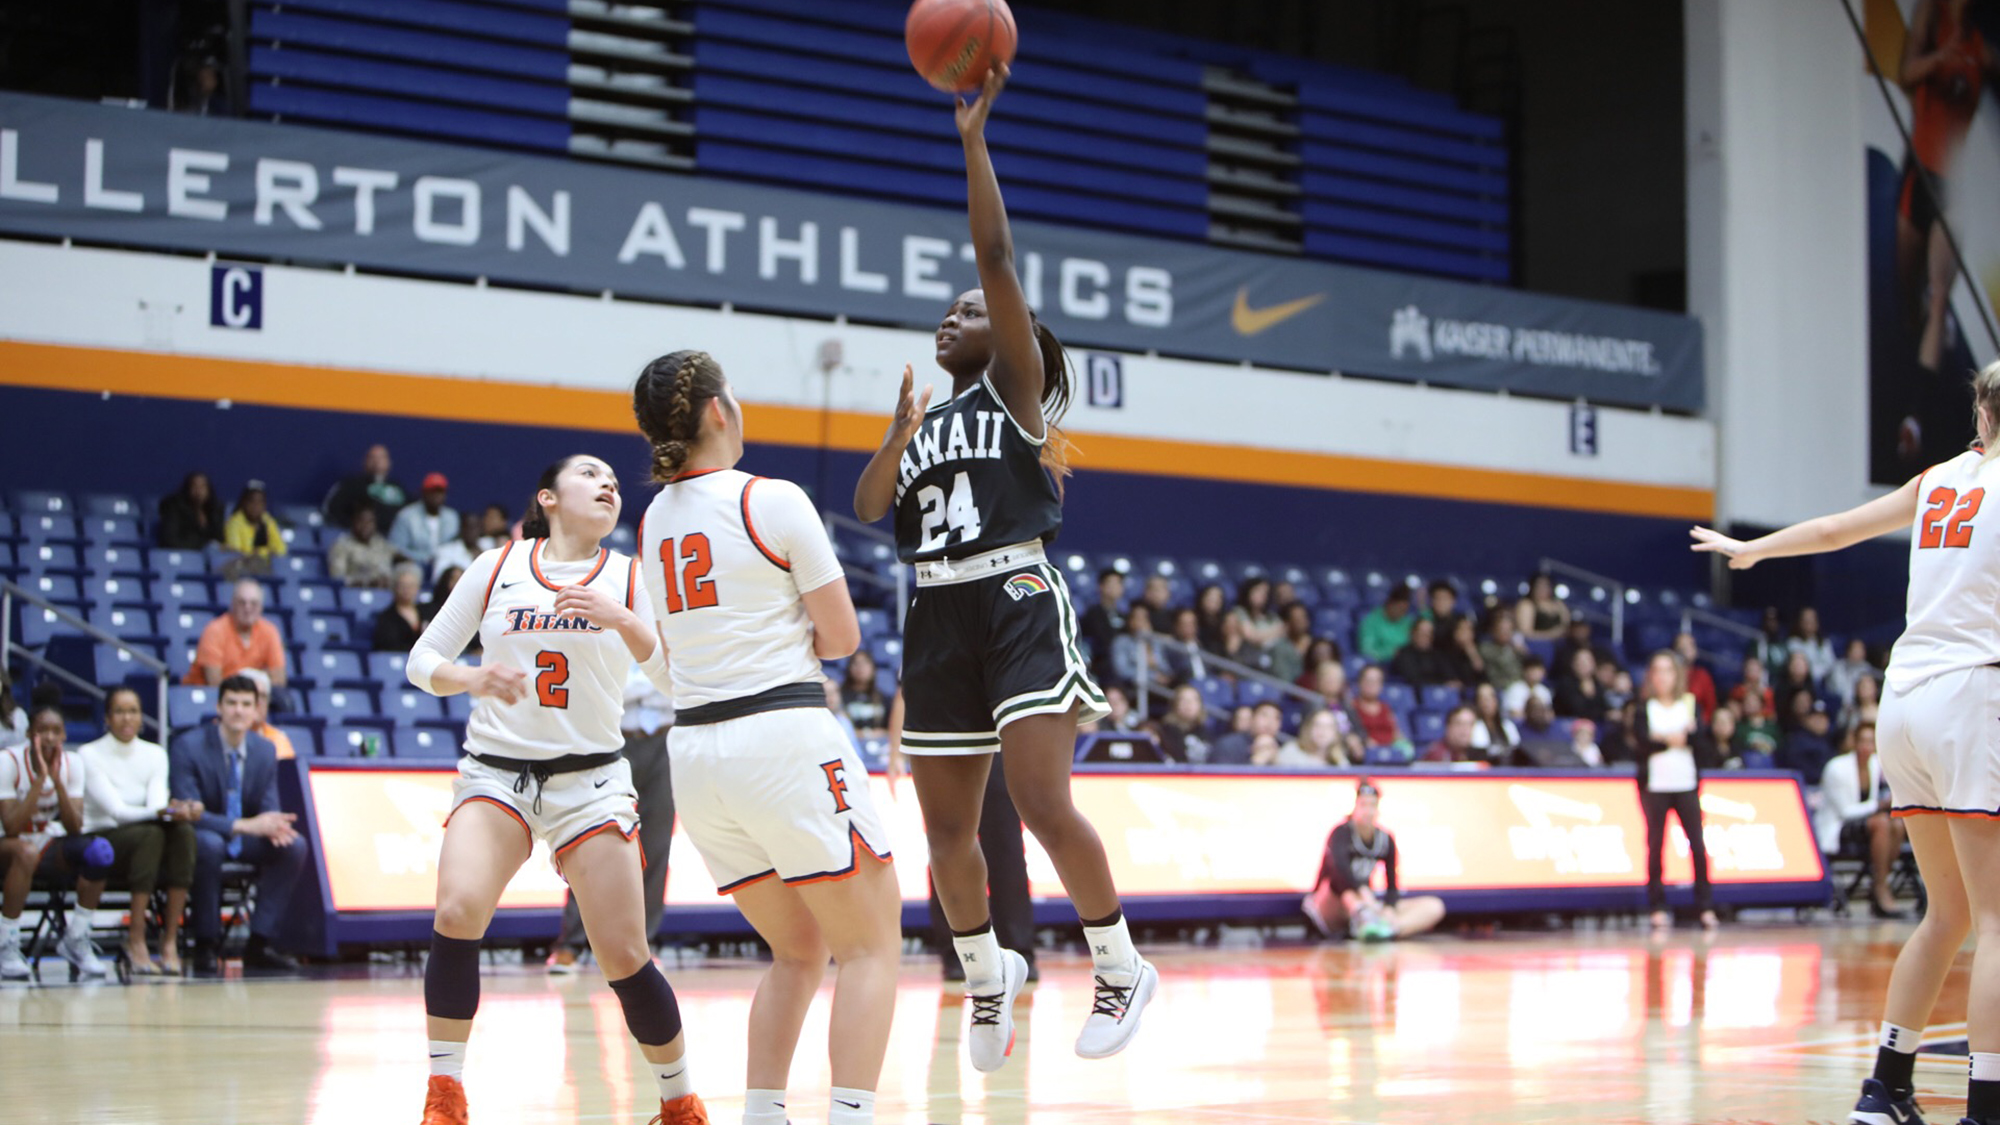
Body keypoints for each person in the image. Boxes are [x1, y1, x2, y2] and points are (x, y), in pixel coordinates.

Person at [848, 64, 1155, 1070]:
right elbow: (863, 509)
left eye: (965, 312)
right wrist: (894, 435)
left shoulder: (1015, 396)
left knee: (1035, 798)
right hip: (935, 615)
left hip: (1014, 595)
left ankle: (1115, 963)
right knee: (942, 833)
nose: (952, 317)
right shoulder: (931, 418)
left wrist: (972, 141)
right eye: (943, 314)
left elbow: (992, 251)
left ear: (1013, 339)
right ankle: (988, 978)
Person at [1693, 363, 2000, 1125]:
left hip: (1902, 698)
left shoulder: (1938, 478)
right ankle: (1987, 1108)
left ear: (1982, 412)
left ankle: (1885, 1089)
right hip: (1972, 692)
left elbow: (1837, 529)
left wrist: (1754, 549)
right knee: (1997, 921)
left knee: (1949, 913)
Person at [633, 351, 900, 1125]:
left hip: (700, 754)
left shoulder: (653, 520)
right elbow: (843, 637)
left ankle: (764, 1113)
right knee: (871, 945)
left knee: (798, 950)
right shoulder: (771, 498)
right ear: (719, 409)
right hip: (782, 735)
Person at [406, 453, 702, 1125]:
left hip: (592, 782)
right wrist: (472, 678)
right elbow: (422, 660)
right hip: (496, 773)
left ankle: (680, 1100)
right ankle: (444, 1097)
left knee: (625, 954)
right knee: (455, 912)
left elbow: (674, 680)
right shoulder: (495, 566)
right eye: (591, 474)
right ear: (547, 496)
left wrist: (625, 620)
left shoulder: (629, 575)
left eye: (615, 482)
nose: (608, 485)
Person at [549, 651, 677, 976]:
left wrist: (648, 685)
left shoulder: (667, 626)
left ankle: (644, 946)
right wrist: (653, 684)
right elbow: (608, 687)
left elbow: (680, 683)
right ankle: (572, 945)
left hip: (666, 741)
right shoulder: (608, 625)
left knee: (657, 845)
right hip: (612, 743)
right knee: (590, 839)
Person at [167, 675, 306, 975]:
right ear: (218, 707)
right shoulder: (187, 746)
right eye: (231, 703)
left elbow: (268, 805)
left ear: (257, 710)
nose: (238, 711)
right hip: (202, 836)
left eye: (246, 704)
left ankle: (260, 943)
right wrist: (244, 825)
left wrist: (274, 824)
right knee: (208, 844)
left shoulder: (265, 749)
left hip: (245, 839)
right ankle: (205, 942)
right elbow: (189, 813)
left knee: (294, 846)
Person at [1898, 0, 1998, 372]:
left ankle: (1916, 421)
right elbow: (1907, 72)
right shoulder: (1931, 15)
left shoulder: (1979, 48)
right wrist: (1938, 59)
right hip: (1919, 173)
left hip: (1951, 185)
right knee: (1909, 302)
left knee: (1939, 295)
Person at [78, 686, 197, 975]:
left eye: (133, 711)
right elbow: (117, 812)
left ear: (142, 717)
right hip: (103, 837)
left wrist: (174, 812)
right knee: (151, 834)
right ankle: (136, 938)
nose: (127, 718)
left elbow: (156, 804)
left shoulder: (155, 754)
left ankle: (169, 940)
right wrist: (162, 812)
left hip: (145, 836)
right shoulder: (88, 753)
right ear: (107, 717)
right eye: (119, 711)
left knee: (183, 833)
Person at [0, 705, 112, 979]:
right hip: (7, 845)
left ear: (64, 736)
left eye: (56, 731)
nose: (49, 738)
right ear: (29, 734)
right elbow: (12, 827)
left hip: (45, 841)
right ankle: (6, 944)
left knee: (100, 851)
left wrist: (59, 783)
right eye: (42, 731)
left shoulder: (72, 763)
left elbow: (75, 827)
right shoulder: (8, 761)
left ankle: (76, 938)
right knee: (25, 852)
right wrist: (40, 781)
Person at [1631, 651, 1718, 932]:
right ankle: (1657, 904)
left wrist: (1668, 738)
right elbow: (1643, 742)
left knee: (1697, 843)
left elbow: (1700, 739)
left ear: (1676, 674)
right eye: (1657, 670)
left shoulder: (1688, 704)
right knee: (1655, 845)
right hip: (1655, 785)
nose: (1662, 676)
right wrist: (1673, 740)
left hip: (1686, 783)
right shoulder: (1644, 707)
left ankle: (1704, 905)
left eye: (1668, 670)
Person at [1302, 781, 1446, 942]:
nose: (1368, 811)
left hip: (1367, 904)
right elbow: (1338, 872)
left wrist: (1390, 908)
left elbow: (1392, 884)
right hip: (1333, 905)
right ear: (1355, 806)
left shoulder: (1385, 838)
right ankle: (1366, 920)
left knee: (1434, 906)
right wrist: (1362, 891)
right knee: (1349, 894)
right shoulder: (1340, 833)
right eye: (1363, 805)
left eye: (1372, 805)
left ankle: (1388, 929)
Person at [1817, 721, 1910, 920]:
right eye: (1863, 741)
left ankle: (1881, 881)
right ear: (1854, 742)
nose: (1867, 746)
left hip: (1868, 824)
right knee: (1882, 823)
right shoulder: (1837, 768)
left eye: (1871, 742)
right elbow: (1844, 812)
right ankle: (1880, 888)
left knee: (1897, 823)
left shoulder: (1877, 765)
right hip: (1837, 827)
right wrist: (1878, 805)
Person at [185, 578, 289, 692]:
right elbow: (214, 683)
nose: (248, 608)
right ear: (232, 604)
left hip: (250, 698)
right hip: (209, 697)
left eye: (253, 603)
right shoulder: (215, 631)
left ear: (261, 607)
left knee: (282, 698)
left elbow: (279, 680)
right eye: (242, 602)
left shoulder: (270, 631)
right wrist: (259, 677)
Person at [324, 443, 408, 530]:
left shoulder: (398, 487)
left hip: (393, 538)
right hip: (361, 538)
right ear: (365, 461)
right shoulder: (352, 485)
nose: (377, 462)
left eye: (382, 457)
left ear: (389, 462)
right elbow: (332, 509)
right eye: (372, 458)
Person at [221, 480, 287, 575]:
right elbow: (236, 552)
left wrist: (260, 552)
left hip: (265, 568)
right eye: (252, 501)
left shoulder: (267, 520)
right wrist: (267, 552)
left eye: (260, 502)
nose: (256, 506)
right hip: (243, 570)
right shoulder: (234, 522)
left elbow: (281, 549)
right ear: (244, 502)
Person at [1111, 603, 1174, 702]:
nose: (1140, 622)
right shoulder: (1121, 642)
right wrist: (1153, 676)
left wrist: (1152, 656)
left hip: (1159, 688)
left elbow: (1167, 670)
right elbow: (1122, 671)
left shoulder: (1155, 642)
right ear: (1130, 621)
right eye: (1137, 618)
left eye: (1144, 618)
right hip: (1133, 687)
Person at [329, 506, 402, 588]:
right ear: (353, 522)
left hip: (387, 592)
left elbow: (400, 556)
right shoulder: (342, 545)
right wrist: (367, 582)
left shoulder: (381, 542)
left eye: (370, 522)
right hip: (357, 593)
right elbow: (338, 579)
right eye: (361, 521)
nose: (366, 526)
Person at [1079, 569, 1127, 686]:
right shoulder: (1092, 614)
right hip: (1100, 664)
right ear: (1101, 586)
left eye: (1118, 583)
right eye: (1111, 583)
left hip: (1121, 662)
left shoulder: (1124, 616)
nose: (1115, 587)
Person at [157, 470, 226, 550]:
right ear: (187, 488)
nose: (198, 491)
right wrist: (203, 545)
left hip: (207, 555)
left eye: (203, 487)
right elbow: (170, 539)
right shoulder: (174, 508)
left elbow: (219, 539)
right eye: (195, 486)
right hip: (183, 553)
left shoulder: (214, 510)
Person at [237, 668, 295, 760]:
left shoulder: (278, 739)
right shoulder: (218, 736)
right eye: (253, 695)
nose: (258, 702)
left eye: (263, 696)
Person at [1351, 665, 1410, 757]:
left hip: (1389, 754)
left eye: (1376, 681)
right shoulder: (1352, 706)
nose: (1372, 685)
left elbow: (1396, 733)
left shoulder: (1386, 708)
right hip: (1365, 756)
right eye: (1369, 681)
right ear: (1360, 682)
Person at [1229, 578, 1285, 673]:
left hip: (1271, 659)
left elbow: (1282, 631)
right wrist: (1270, 634)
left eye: (1265, 592)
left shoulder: (1272, 616)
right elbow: (1252, 637)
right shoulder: (1239, 612)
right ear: (1249, 591)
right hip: (1246, 660)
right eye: (1258, 591)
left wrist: (1260, 636)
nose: (1262, 595)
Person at [372, 565, 429, 653]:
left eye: (411, 585)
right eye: (403, 585)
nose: (407, 590)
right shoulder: (386, 618)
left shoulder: (427, 612)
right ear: (395, 587)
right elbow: (389, 645)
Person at [1209, 700, 1283, 766]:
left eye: (1276, 718)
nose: (1270, 722)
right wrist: (1257, 761)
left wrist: (1275, 762)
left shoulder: (1278, 748)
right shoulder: (1228, 745)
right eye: (1264, 715)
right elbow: (1221, 779)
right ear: (1252, 719)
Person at [1390, 617, 1456, 689]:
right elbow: (1414, 680)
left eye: (1429, 633)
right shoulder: (1403, 654)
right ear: (1413, 633)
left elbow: (1450, 677)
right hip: (1414, 695)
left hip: (1441, 694)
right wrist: (1443, 684)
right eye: (1422, 632)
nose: (1425, 636)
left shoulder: (1438, 655)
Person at [1154, 684, 1213, 764]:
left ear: (1200, 705)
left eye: (1194, 700)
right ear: (1175, 704)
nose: (1188, 704)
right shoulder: (1165, 732)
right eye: (1183, 700)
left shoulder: (1206, 731)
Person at [840, 650, 891, 739]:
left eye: (865, 663)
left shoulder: (884, 698)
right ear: (849, 668)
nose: (860, 668)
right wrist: (865, 734)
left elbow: (893, 729)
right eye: (856, 663)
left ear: (873, 668)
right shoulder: (841, 696)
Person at [1358, 585, 1416, 663]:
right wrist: (1391, 653)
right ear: (1390, 604)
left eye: (1405, 610)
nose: (1402, 613)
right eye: (1400, 608)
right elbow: (1367, 651)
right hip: (1380, 665)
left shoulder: (1408, 622)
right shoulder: (1371, 622)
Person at [1279, 708, 1349, 768]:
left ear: (1335, 734)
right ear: (1308, 729)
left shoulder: (1340, 761)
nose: (1323, 731)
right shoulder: (1291, 751)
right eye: (1318, 725)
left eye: (1328, 727)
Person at [1466, 682, 1519, 762]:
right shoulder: (1472, 726)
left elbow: (1517, 750)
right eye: (1482, 698)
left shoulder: (1508, 725)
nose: (1487, 702)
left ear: (1496, 700)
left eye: (1490, 697)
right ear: (1477, 702)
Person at [1553, 647, 1607, 724]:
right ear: (1573, 664)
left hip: (1594, 725)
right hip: (1569, 724)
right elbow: (1576, 711)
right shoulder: (1565, 684)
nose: (1584, 664)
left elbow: (1603, 709)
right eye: (1580, 661)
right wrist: (1588, 696)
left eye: (1587, 661)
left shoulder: (1598, 684)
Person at [1673, 632, 1719, 720]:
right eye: (1682, 646)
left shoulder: (1702, 675)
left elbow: (1710, 707)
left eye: (1690, 645)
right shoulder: (1669, 675)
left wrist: (1699, 724)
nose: (1686, 649)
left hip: (1697, 725)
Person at [428, 515, 488, 584]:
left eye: (475, 527)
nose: (471, 531)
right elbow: (438, 578)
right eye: (468, 527)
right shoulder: (446, 551)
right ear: (461, 529)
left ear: (481, 529)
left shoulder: (488, 547)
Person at [1269, 602, 1316, 686]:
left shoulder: (1316, 645)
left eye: (1303, 617)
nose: (1301, 622)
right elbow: (1283, 680)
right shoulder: (1280, 648)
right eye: (1296, 619)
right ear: (1287, 623)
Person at [1478, 610, 1526, 693]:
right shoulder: (1486, 648)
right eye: (1501, 629)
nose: (1505, 633)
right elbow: (1502, 662)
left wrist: (1522, 652)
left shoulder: (1517, 649)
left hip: (1519, 687)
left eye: (1509, 630)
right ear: (1493, 630)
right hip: (1499, 687)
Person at [1826, 637, 1881, 708]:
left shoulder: (1866, 666)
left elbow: (1880, 676)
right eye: (1856, 649)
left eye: (1861, 649)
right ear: (1848, 651)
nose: (1859, 652)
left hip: (1861, 704)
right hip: (1843, 706)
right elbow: (1837, 690)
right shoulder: (1838, 667)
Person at [1514, 573, 1570, 641]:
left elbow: (1566, 626)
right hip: (1536, 645)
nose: (1542, 589)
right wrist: (1552, 635)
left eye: (1546, 585)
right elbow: (1525, 633)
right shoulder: (1526, 604)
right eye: (1539, 586)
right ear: (1532, 587)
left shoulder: (1558, 604)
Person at [1502, 655, 1553, 721]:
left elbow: (1550, 714)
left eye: (1539, 669)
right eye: (1533, 669)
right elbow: (1515, 714)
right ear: (1524, 671)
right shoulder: (1514, 689)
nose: (1536, 673)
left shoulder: (1544, 691)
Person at [1192, 584, 1229, 653]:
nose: (1214, 600)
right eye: (1210, 597)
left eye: (1218, 598)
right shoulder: (1193, 618)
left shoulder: (1224, 622)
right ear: (1202, 598)